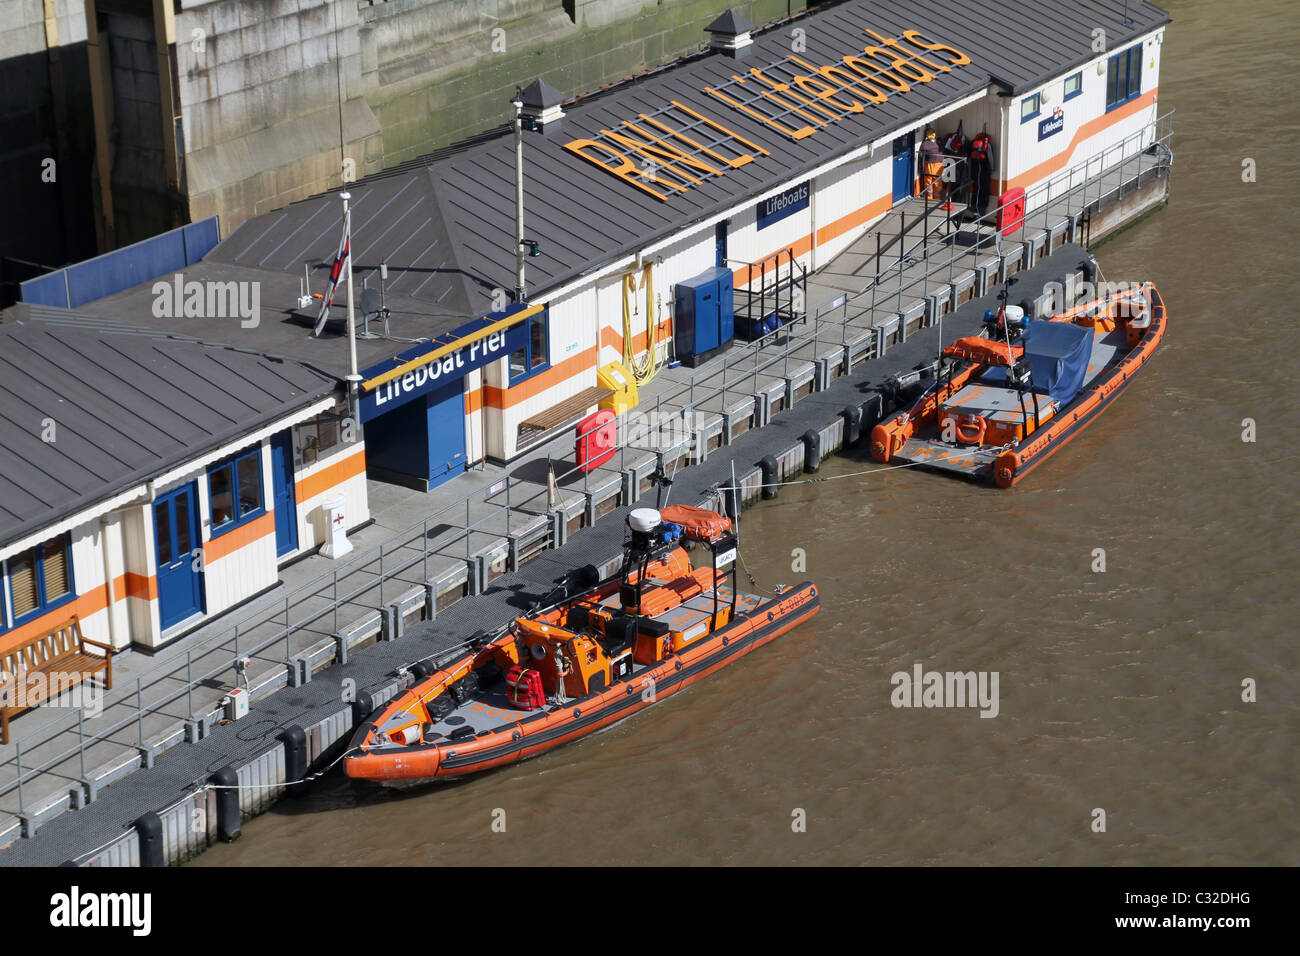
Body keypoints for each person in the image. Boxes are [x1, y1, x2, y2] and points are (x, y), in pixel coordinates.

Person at [969, 128, 996, 215]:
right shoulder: (986, 144)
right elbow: (990, 157)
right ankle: (981, 209)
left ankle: (974, 207)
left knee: (976, 188)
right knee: (984, 189)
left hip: (975, 169)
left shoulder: (974, 143)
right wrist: (992, 169)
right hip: (984, 169)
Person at [918, 128, 945, 201]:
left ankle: (929, 199)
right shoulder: (940, 142)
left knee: (928, 183)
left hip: (930, 165)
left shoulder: (925, 144)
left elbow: (922, 157)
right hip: (939, 164)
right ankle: (937, 199)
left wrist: (921, 168)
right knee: (938, 183)